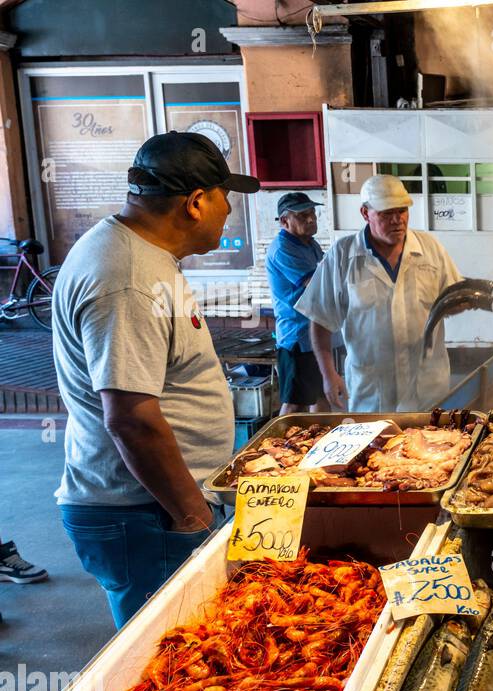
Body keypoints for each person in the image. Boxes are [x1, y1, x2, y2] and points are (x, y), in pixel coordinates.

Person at [52, 131, 259, 627]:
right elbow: (131, 419)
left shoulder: (141, 257)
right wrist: (194, 518)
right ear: (194, 203)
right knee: (171, 666)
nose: (229, 210)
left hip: (156, 508)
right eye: (224, 197)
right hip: (146, 514)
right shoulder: (127, 279)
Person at [298, 175, 465, 412]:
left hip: (427, 389)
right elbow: (320, 320)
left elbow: (452, 300)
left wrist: (467, 299)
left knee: (433, 446)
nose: (397, 220)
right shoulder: (342, 256)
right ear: (365, 213)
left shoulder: (430, 248)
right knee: (375, 447)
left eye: (402, 211)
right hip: (371, 392)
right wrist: (328, 374)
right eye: (387, 213)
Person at [266, 191, 327, 414]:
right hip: (297, 339)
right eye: (302, 216)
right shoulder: (284, 249)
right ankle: (278, 446)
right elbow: (316, 283)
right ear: (284, 221)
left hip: (314, 335)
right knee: (296, 402)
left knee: (321, 395)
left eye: (312, 213)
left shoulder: (310, 244)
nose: (311, 219)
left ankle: (320, 443)